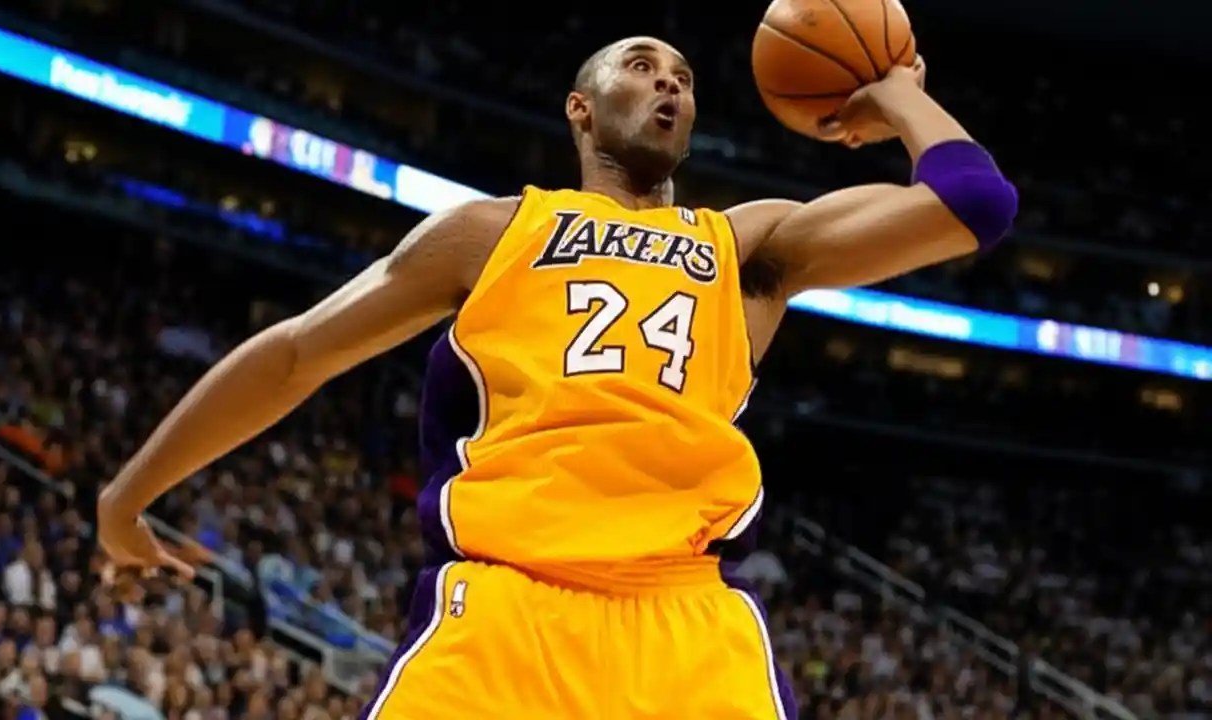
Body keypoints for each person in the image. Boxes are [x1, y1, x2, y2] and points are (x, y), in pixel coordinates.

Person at [98, 36, 1016, 719]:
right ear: (580, 108)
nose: (669, 82)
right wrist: (125, 499)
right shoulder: (494, 232)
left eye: (685, 80)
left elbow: (974, 204)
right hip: (505, 607)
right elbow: (298, 353)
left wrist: (896, 94)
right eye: (644, 65)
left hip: (686, 624)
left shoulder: (748, 244)